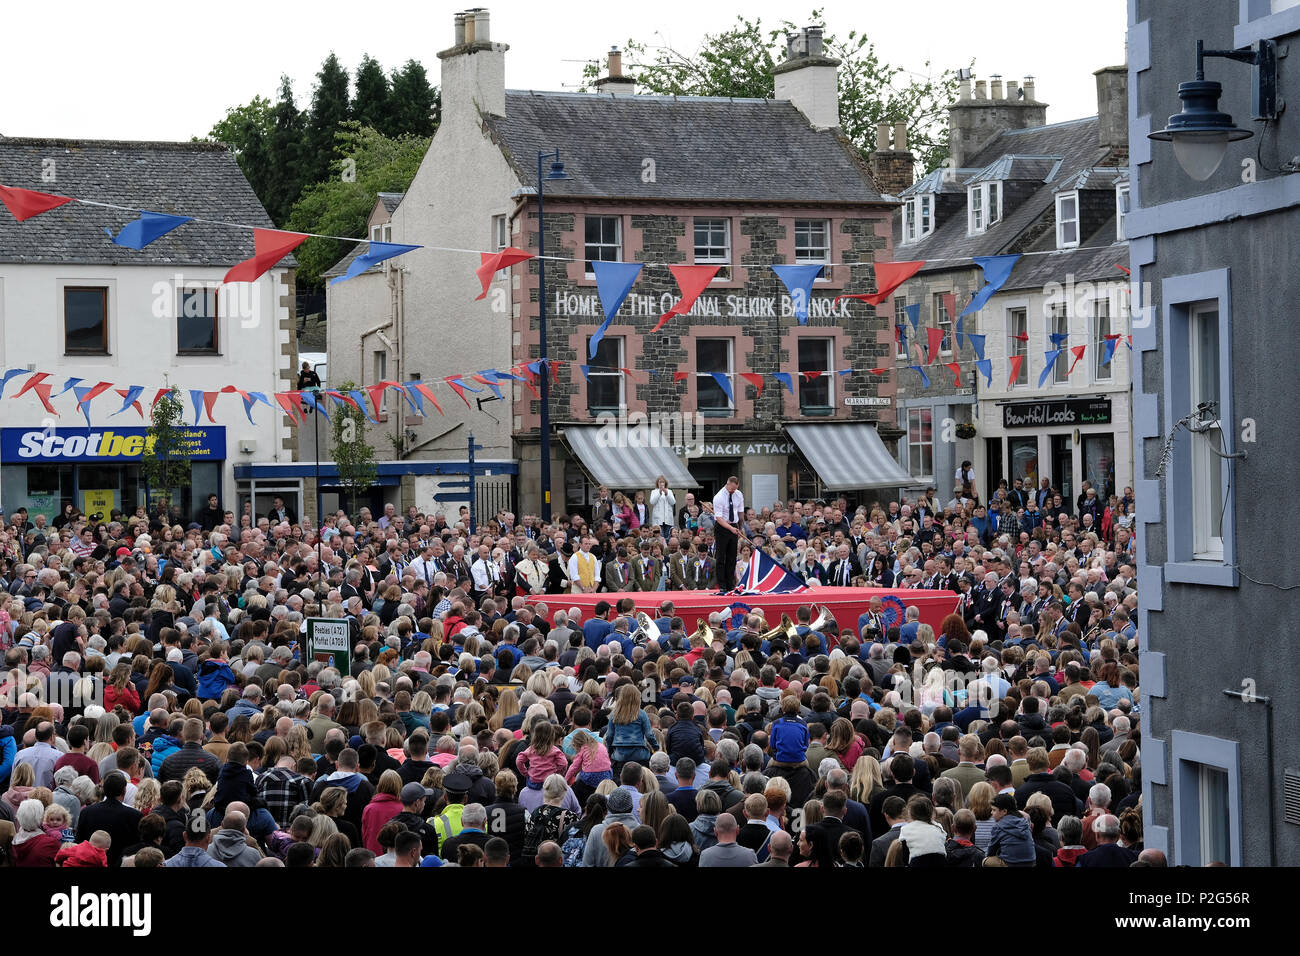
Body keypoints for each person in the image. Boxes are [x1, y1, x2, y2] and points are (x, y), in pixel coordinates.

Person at [712, 477, 743, 591]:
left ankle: (730, 584)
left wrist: (741, 526)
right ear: (728, 484)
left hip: (734, 525)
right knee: (721, 557)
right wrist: (730, 528)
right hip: (722, 527)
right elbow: (719, 518)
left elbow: (740, 512)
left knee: (732, 557)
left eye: (735, 489)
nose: (733, 491)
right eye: (732, 489)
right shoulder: (719, 497)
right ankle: (722, 585)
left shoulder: (738, 494)